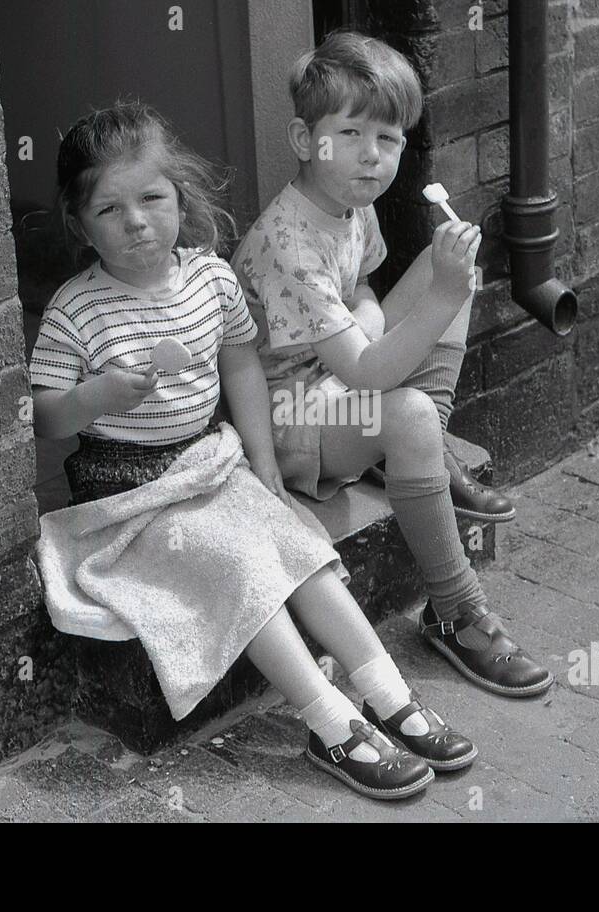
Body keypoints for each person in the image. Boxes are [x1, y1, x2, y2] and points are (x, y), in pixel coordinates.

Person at [29, 102, 476, 801]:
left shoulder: (209, 279)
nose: (137, 220)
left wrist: (264, 464)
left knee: (301, 550)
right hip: (129, 494)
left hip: (210, 459)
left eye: (152, 198)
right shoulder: (74, 309)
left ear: (180, 197)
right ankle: (331, 724)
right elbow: (46, 418)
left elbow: (240, 362)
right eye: (110, 209)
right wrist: (94, 398)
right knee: (243, 567)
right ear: (80, 222)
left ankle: (389, 695)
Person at [232, 30, 554, 697]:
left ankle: (422, 449)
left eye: (388, 138)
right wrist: (415, 309)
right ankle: (457, 611)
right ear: (304, 141)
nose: (371, 156)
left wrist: (412, 302)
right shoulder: (287, 241)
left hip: (338, 378)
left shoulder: (350, 202)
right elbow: (369, 375)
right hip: (291, 418)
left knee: (453, 270)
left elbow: (362, 292)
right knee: (409, 394)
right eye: (350, 134)